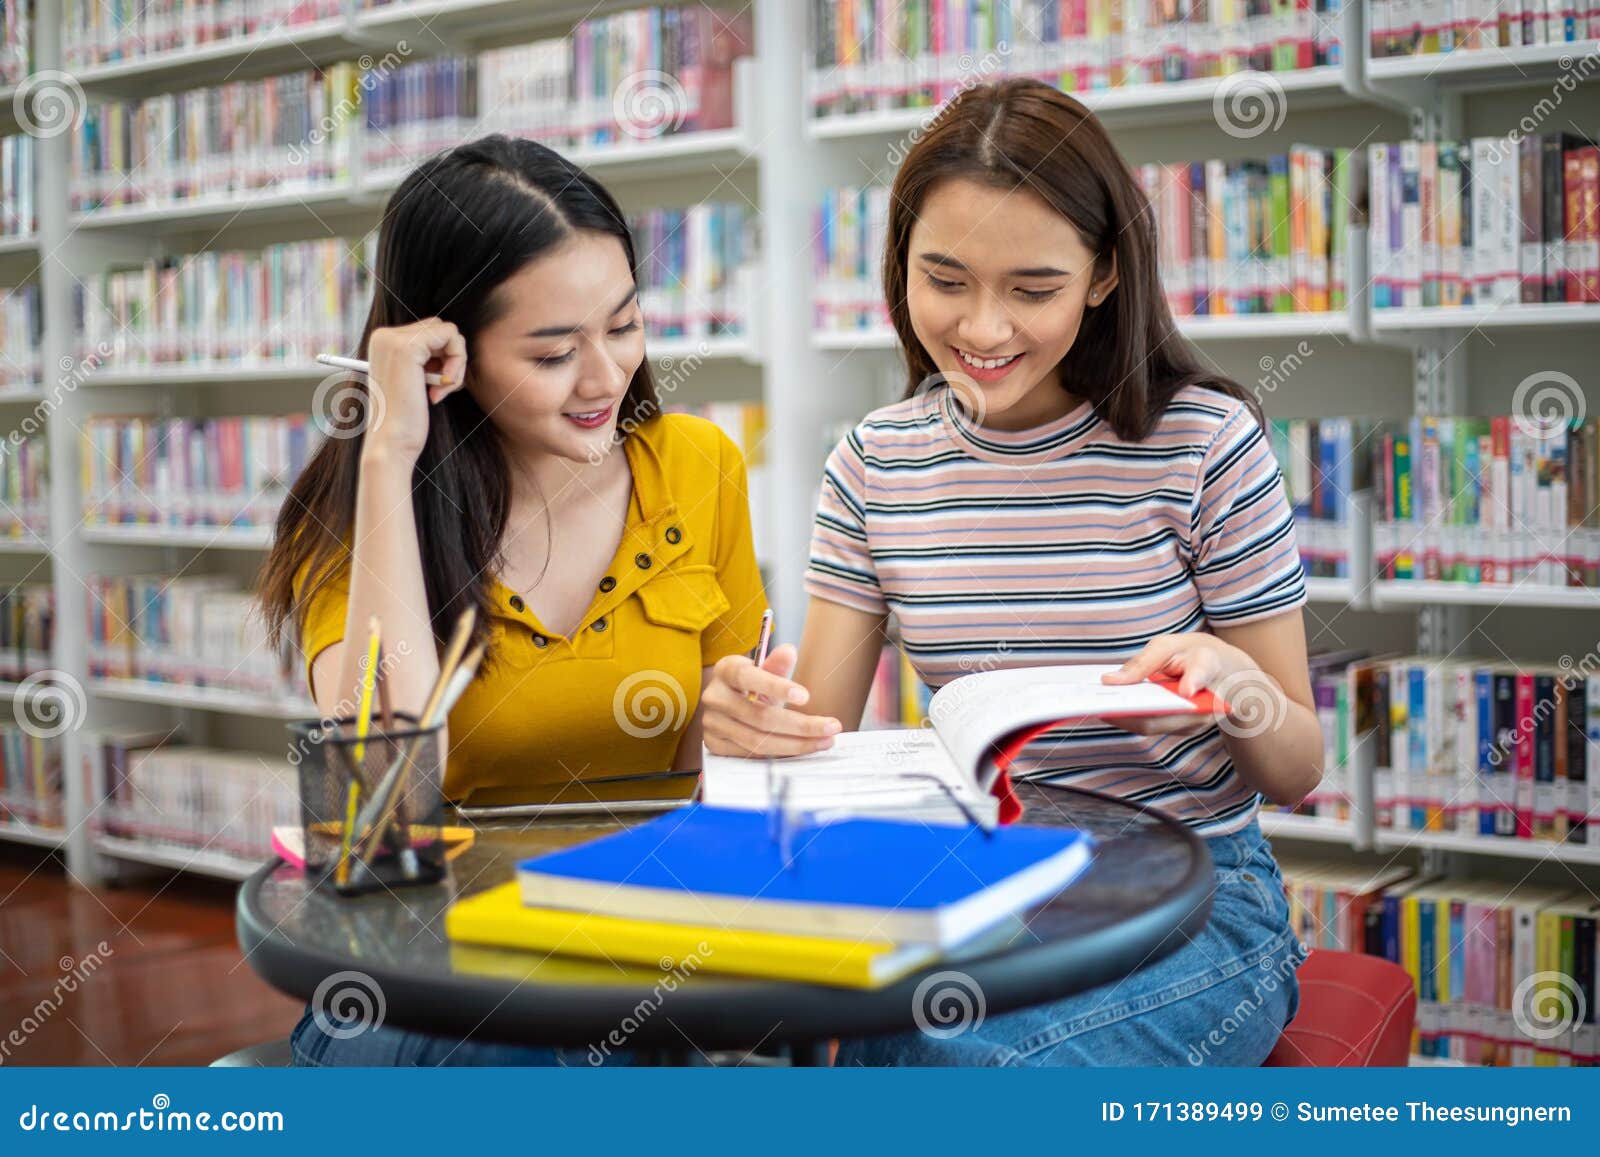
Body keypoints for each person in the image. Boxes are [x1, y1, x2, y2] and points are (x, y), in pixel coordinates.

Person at [700, 79, 1319, 1066]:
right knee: (839, 1039)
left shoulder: (1204, 442)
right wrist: (749, 716)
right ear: (897, 260)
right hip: (974, 874)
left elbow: (1298, 769)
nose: (983, 330)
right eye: (944, 280)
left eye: (1032, 290)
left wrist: (1242, 693)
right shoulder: (875, 460)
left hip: (1198, 892)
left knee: (951, 1061)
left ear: (1104, 274)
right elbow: (812, 727)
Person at [256, 134, 767, 1065]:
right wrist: (387, 452)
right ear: (449, 352)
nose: (605, 377)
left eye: (622, 326)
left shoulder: (698, 468)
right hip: (428, 980)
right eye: (552, 351)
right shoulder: (357, 517)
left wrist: (749, 720)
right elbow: (378, 818)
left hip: (645, 960)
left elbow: (732, 777)